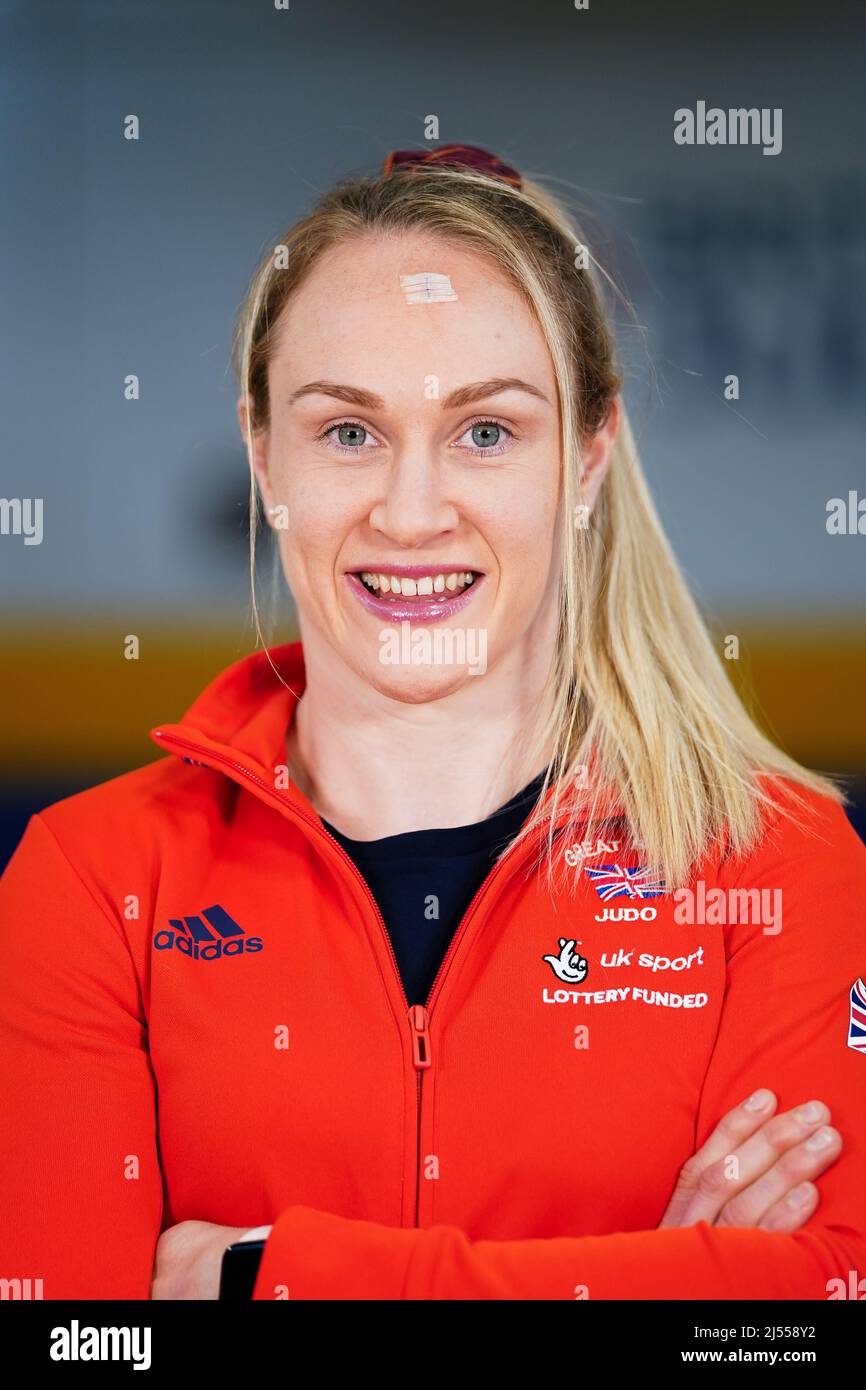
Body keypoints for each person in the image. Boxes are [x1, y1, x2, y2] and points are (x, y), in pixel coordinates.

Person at [1, 145, 864, 1302]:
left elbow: (816, 1305)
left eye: (486, 431)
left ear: (587, 459)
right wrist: (662, 1280)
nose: (411, 513)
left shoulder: (782, 864)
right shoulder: (92, 880)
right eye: (347, 432)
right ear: (265, 456)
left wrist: (259, 1277)